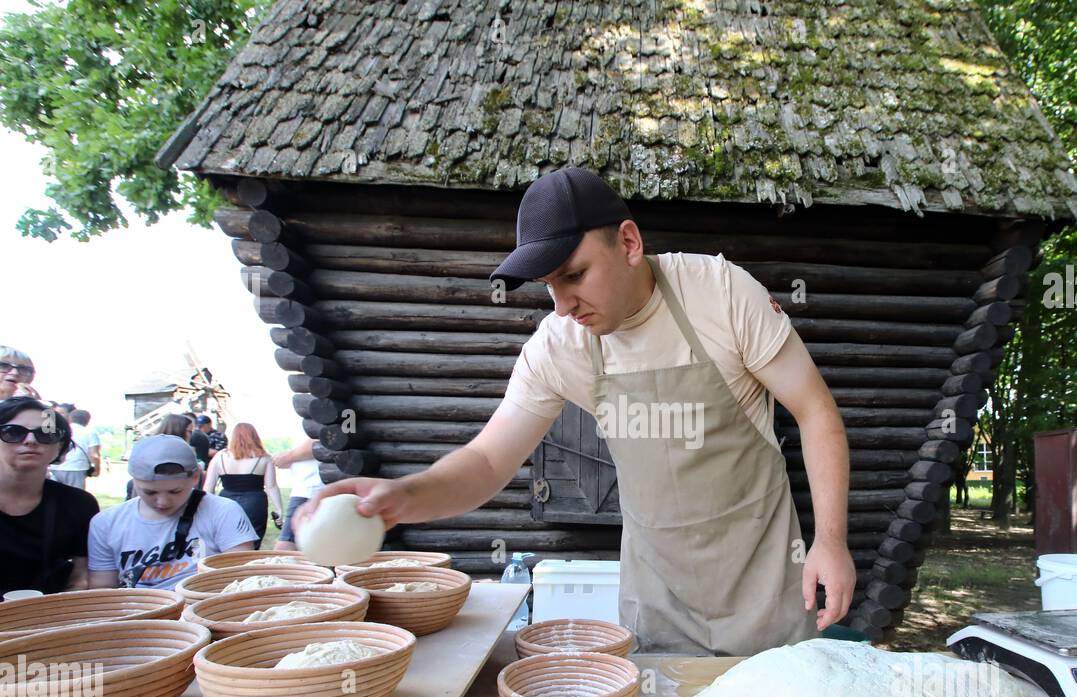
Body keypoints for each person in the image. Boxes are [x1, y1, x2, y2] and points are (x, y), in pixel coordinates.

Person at [300, 166, 856, 656]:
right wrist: (404, 498)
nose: (563, 303)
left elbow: (814, 410)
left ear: (630, 242)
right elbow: (489, 461)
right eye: (549, 285)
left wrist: (830, 539)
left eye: (574, 274)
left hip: (766, 599)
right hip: (660, 609)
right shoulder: (559, 346)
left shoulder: (720, 293)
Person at [88, 435, 257, 589]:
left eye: (175, 491)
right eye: (150, 492)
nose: (162, 502)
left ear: (196, 476)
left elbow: (238, 579)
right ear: (134, 481)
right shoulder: (106, 523)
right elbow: (102, 588)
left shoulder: (223, 512)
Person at [0, 396, 99, 594]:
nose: (30, 440)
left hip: (48, 615)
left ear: (60, 447)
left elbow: (81, 577)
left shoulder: (78, 504)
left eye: (46, 433)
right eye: (13, 432)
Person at [204, 422, 284, 549]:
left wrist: (206, 510)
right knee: (252, 544)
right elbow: (271, 486)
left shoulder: (220, 457)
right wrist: (279, 509)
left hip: (226, 502)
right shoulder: (264, 458)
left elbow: (209, 486)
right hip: (255, 503)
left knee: (225, 542)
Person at [271, 437, 322, 551]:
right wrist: (292, 461)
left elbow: (325, 439)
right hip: (309, 488)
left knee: (284, 550)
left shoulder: (316, 420)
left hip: (312, 489)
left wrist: (287, 457)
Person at [50, 409, 100, 490]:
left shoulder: (60, 429)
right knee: (75, 497)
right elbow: (94, 455)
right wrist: (97, 470)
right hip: (76, 468)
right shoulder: (90, 432)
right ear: (87, 420)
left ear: (70, 418)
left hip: (54, 467)